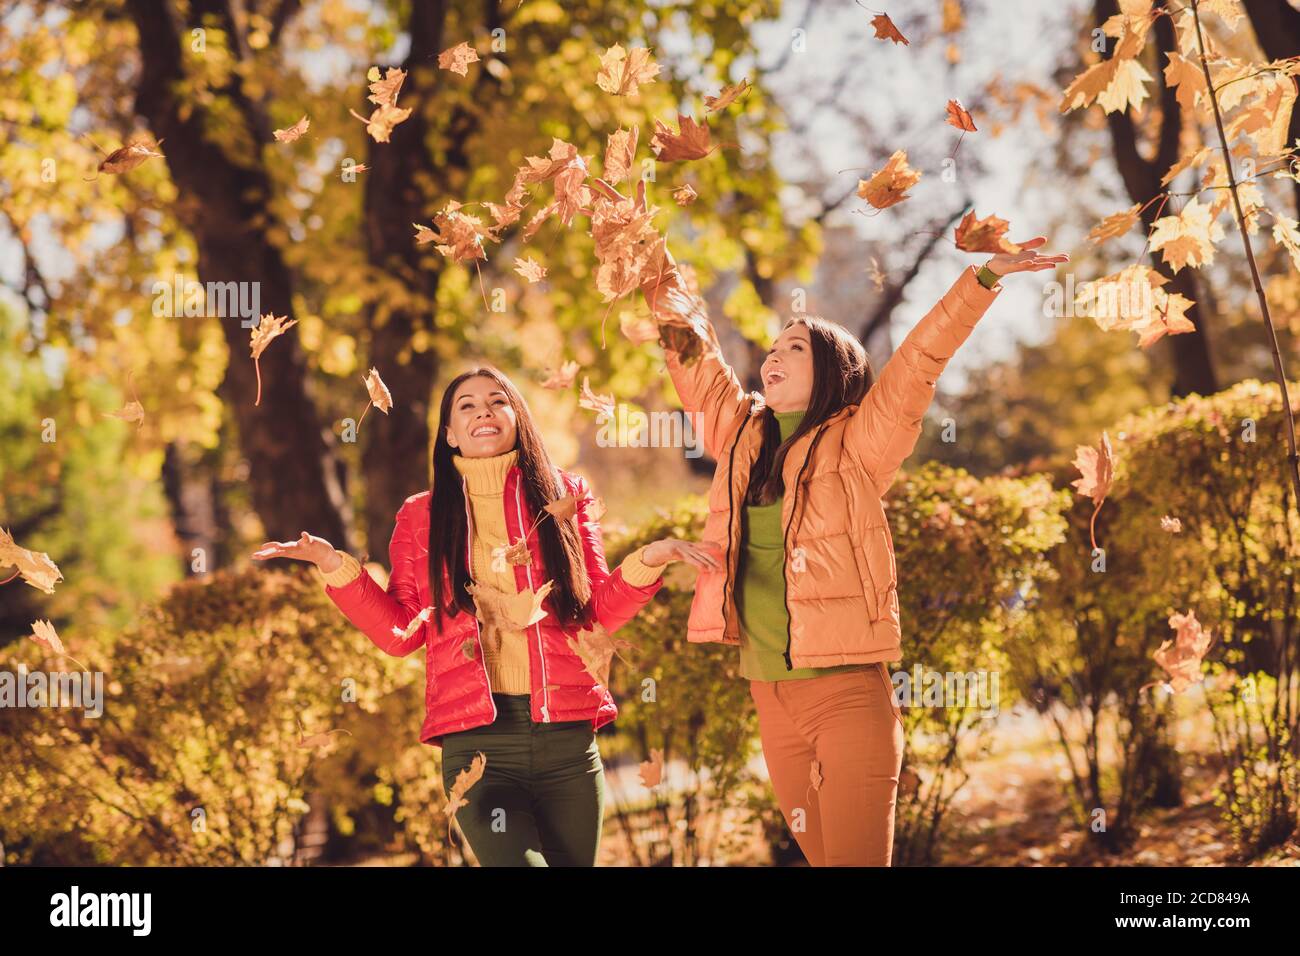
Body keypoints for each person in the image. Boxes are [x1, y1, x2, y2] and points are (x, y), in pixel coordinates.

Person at [605, 177, 1067, 866]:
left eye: (795, 347)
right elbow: (689, 348)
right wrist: (643, 241)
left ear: (833, 372)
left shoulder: (859, 444)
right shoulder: (740, 438)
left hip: (849, 695)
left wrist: (983, 280)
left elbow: (917, 365)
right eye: (772, 347)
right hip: (771, 698)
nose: (773, 355)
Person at [253, 365, 718, 866]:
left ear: (517, 416)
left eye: (497, 401)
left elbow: (593, 614)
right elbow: (400, 632)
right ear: (449, 433)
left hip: (567, 741)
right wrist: (333, 565)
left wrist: (648, 562)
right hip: (479, 748)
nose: (484, 412)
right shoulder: (421, 515)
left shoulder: (565, 496)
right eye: (467, 406)